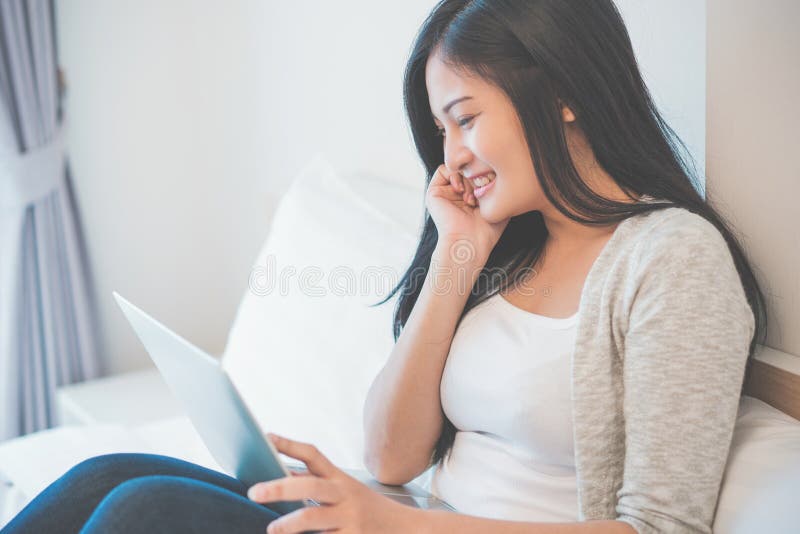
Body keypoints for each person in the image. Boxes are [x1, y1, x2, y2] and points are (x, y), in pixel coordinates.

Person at [2, 0, 766, 533]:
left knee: (147, 515)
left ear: (563, 93)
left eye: (465, 118)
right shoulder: (507, 247)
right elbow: (391, 456)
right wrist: (457, 258)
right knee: (110, 475)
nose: (452, 154)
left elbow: (661, 527)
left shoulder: (672, 259)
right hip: (408, 520)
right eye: (441, 130)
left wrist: (396, 525)